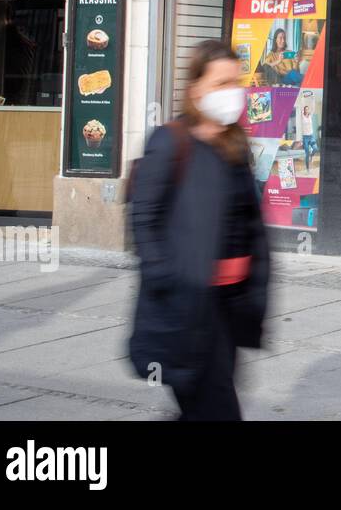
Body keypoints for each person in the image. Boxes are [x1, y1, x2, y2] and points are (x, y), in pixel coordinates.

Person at [129, 39, 270, 421]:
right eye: (222, 84)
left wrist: (256, 287)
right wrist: (165, 276)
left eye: (236, 82)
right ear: (196, 91)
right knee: (217, 407)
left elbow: (248, 223)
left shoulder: (234, 144)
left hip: (229, 305)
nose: (233, 93)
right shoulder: (171, 141)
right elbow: (144, 217)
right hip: (188, 305)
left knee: (206, 403)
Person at [299, 100, 317, 172]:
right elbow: (301, 107)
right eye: (305, 109)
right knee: (307, 154)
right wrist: (302, 99)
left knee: (315, 149)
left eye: (307, 109)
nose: (307, 110)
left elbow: (313, 107)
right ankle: (307, 169)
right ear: (304, 110)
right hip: (305, 138)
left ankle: (312, 156)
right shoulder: (302, 116)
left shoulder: (310, 115)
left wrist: (313, 98)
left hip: (311, 136)